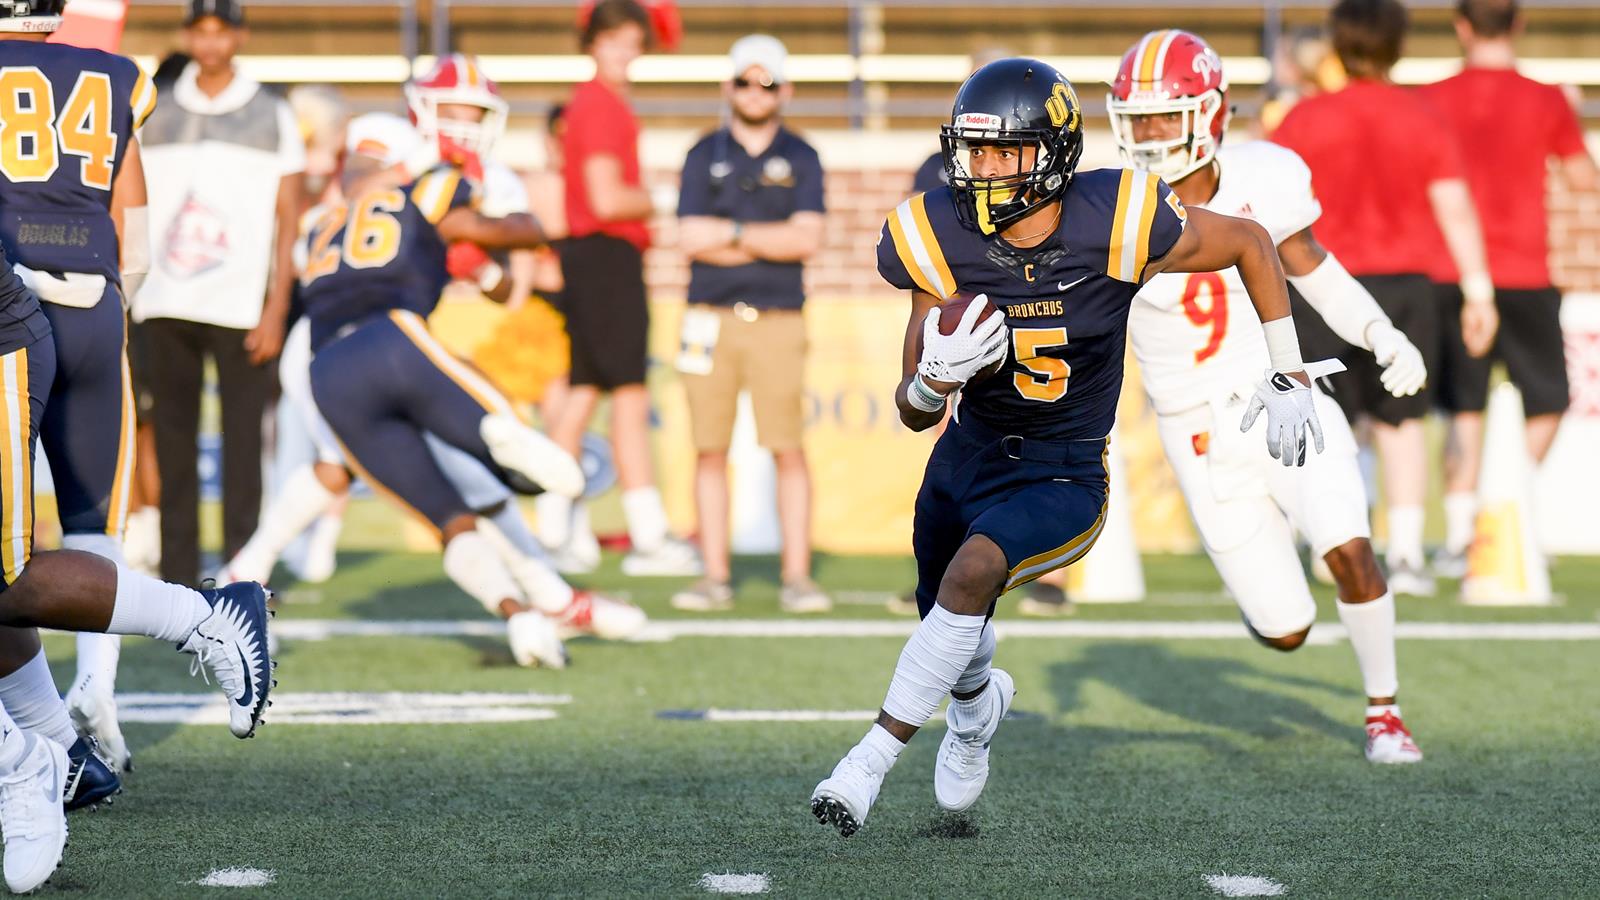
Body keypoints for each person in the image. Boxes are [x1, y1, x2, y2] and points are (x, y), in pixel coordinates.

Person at [811, 58, 1327, 836]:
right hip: (968, 456)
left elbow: (1253, 242)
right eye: (974, 150)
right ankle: (975, 714)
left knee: (972, 573)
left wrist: (1288, 368)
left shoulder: (1116, 218)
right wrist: (933, 380)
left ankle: (867, 763)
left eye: (1003, 152)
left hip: (1064, 467)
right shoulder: (936, 230)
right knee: (948, 610)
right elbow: (914, 413)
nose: (983, 170)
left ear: (1052, 154)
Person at [221, 113, 647, 656]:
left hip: (324, 355)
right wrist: (488, 230)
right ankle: (549, 589)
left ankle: (530, 605)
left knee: (387, 482)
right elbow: (518, 235)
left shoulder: (325, 217)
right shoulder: (424, 190)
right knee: (476, 455)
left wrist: (474, 266)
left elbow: (478, 277)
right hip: (386, 337)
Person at [1111, 29, 1425, 762]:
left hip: (1281, 391)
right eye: (1138, 119)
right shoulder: (1112, 209)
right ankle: (1272, 571)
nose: (1150, 135)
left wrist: (1381, 332)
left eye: (1164, 116)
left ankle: (1385, 712)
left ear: (1209, 114)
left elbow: (1314, 266)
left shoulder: (1267, 173)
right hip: (1196, 429)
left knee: (1351, 548)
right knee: (1286, 629)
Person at [1270, 0, 1498, 597]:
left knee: (1320, 419)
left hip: (1318, 284)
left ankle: (1316, 546)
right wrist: (1478, 290)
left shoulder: (1304, 118)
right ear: (1400, 45)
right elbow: (1454, 206)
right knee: (1402, 424)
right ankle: (1405, 554)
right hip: (1404, 288)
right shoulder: (1421, 116)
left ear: (1336, 43)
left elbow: (1265, 206)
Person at [1419, 0, 1597, 576]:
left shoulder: (1430, 97)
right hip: (1524, 271)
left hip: (1451, 270)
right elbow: (1583, 180)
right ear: (1518, 25)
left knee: (1463, 406)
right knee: (1548, 399)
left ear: (1461, 26)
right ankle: (1503, 506)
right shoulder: (1546, 98)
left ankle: (1464, 535)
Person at [134, 0, 304, 585]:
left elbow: (289, 216)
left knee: (242, 448)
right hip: (163, 299)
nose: (211, 43)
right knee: (173, 444)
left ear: (240, 36)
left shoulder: (271, 110)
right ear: (187, 36)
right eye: (200, 32)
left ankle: (242, 572)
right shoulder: (153, 106)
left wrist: (276, 306)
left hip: (242, 305)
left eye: (221, 31)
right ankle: (178, 579)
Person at [669, 36, 829, 614]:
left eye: (766, 82)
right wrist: (767, 241)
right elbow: (690, 240)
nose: (754, 92)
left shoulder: (803, 155)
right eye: (744, 80)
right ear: (727, 86)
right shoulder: (700, 152)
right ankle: (714, 575)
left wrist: (731, 234)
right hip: (707, 318)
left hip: (778, 320)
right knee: (708, 449)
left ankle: (797, 577)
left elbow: (806, 239)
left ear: (785, 90)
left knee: (787, 447)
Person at [542, 0, 701, 577]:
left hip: (592, 258)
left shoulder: (591, 102)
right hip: (606, 257)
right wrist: (658, 199)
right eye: (616, 40)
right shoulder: (600, 104)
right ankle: (648, 536)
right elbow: (608, 199)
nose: (626, 52)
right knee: (629, 398)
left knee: (584, 392)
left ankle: (555, 530)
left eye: (633, 42)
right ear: (594, 42)